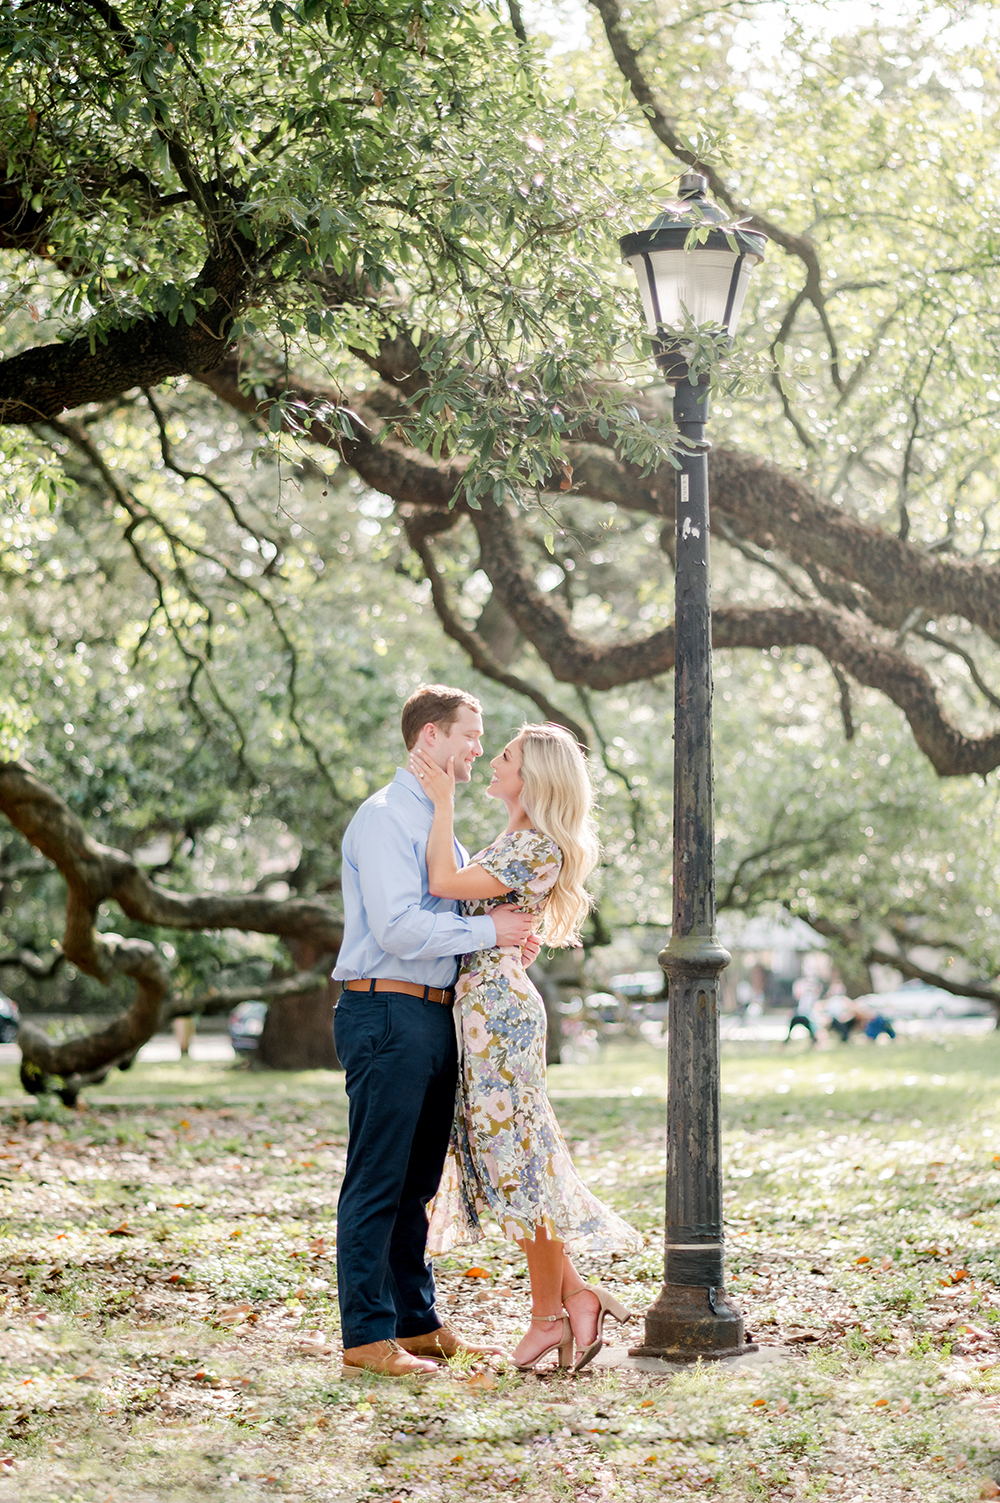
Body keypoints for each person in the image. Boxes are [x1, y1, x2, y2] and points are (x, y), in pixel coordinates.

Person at [409, 723, 643, 1374]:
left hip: (498, 1014)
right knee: (509, 1157)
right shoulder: (517, 840)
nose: (492, 760)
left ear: (531, 775)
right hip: (486, 1006)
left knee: (517, 1161)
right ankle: (577, 1298)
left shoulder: (533, 843)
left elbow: (442, 881)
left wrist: (441, 801)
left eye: (505, 755)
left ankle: (550, 1316)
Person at [333, 685, 539, 1379]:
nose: (479, 748)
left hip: (430, 1011)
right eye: (469, 734)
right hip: (386, 1010)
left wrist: (504, 939)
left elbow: (453, 913)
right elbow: (396, 927)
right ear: (430, 735)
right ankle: (366, 1335)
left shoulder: (436, 820)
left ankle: (415, 1323)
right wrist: (487, 930)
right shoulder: (386, 817)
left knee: (415, 1181)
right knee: (377, 1177)